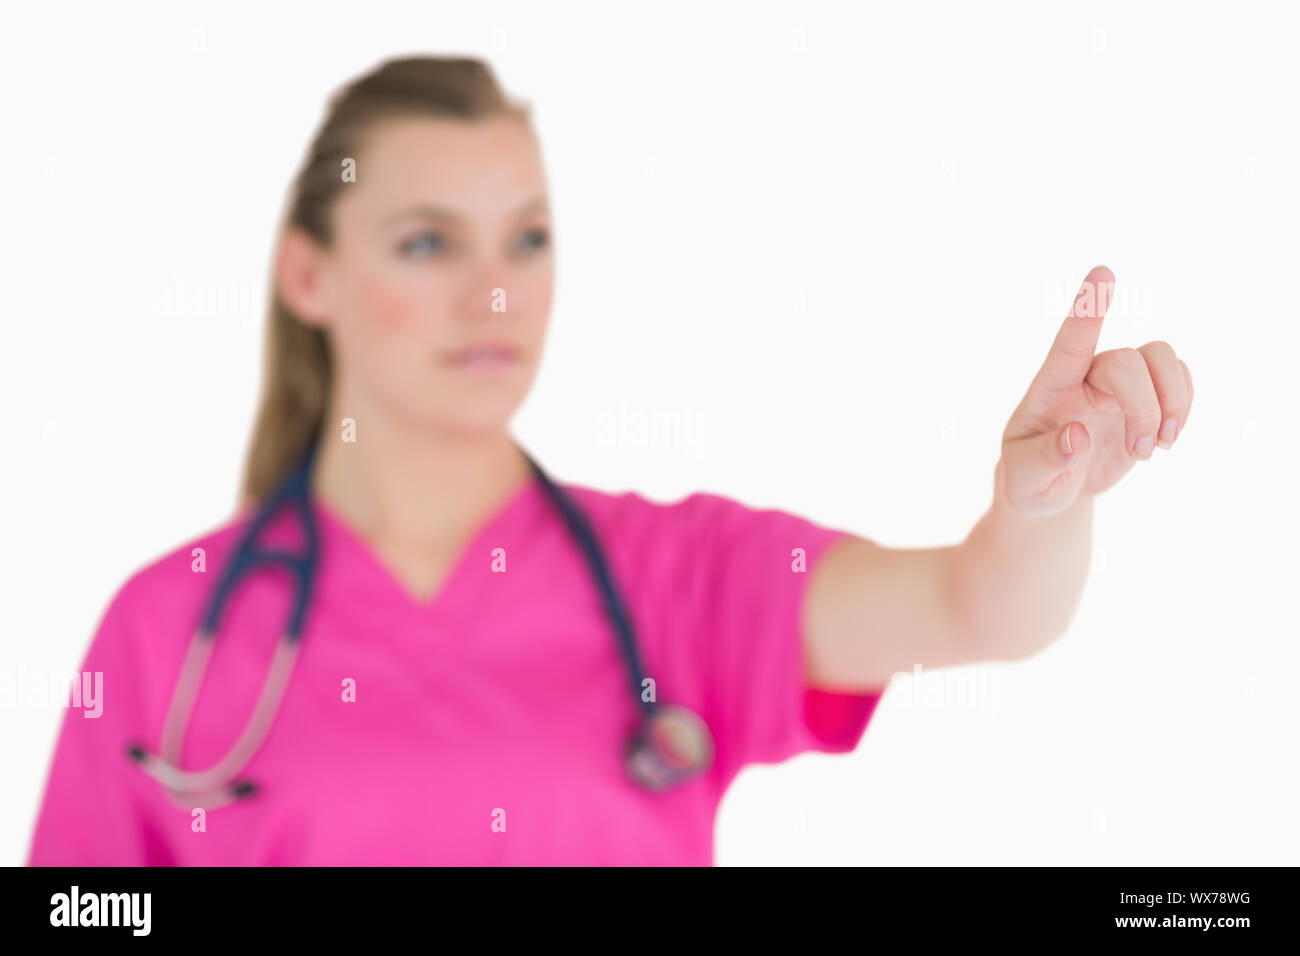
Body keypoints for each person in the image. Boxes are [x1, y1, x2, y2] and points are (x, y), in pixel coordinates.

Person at [27, 55, 1193, 866]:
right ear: (309, 277)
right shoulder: (164, 631)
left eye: (526, 238)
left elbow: (972, 604)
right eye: (427, 240)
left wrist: (1042, 502)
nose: (495, 292)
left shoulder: (674, 577)